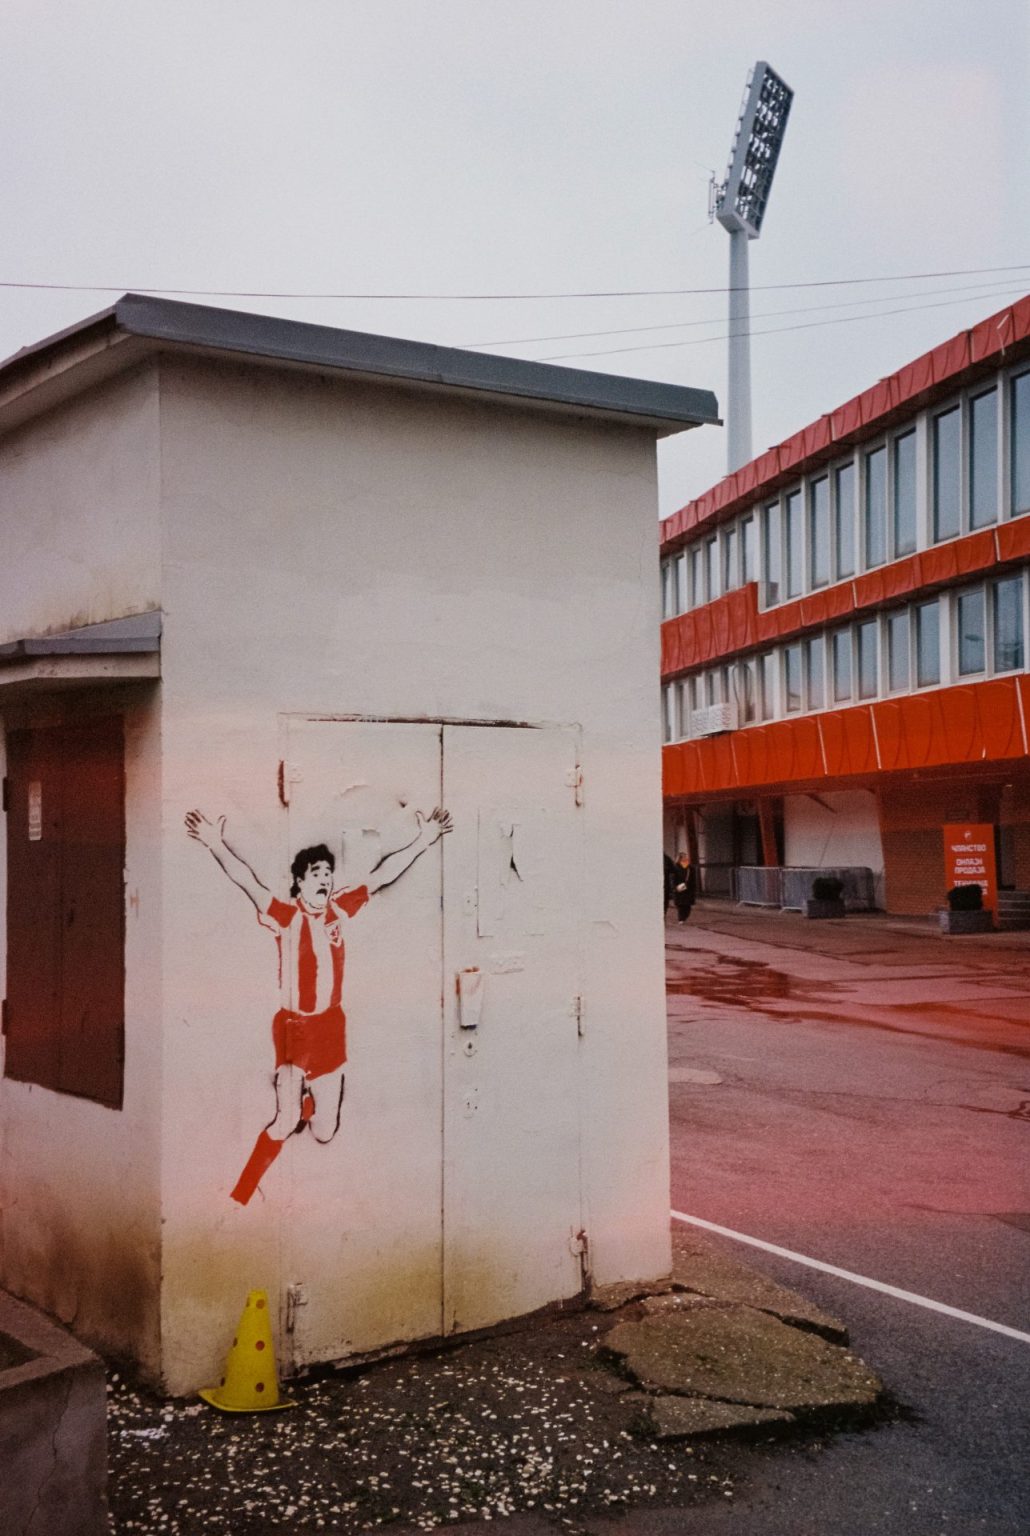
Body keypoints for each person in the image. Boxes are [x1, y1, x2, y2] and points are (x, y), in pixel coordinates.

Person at [185, 804, 452, 1205]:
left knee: (325, 1129)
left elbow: (381, 876)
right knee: (285, 1119)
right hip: (294, 1028)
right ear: (299, 882)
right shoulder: (285, 916)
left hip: (331, 1028)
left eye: (328, 874)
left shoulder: (339, 911)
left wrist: (424, 839)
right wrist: (214, 843)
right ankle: (240, 1194)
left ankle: (311, 1104)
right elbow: (247, 882)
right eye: (316, 874)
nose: (325, 880)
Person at [672, 850, 697, 924]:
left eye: (686, 857)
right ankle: (681, 919)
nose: (686, 858)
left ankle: (684, 918)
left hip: (688, 889)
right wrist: (675, 887)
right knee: (680, 905)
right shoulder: (675, 867)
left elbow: (693, 879)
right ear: (680, 859)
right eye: (684, 857)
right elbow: (673, 878)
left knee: (687, 906)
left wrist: (693, 888)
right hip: (679, 888)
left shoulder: (690, 868)